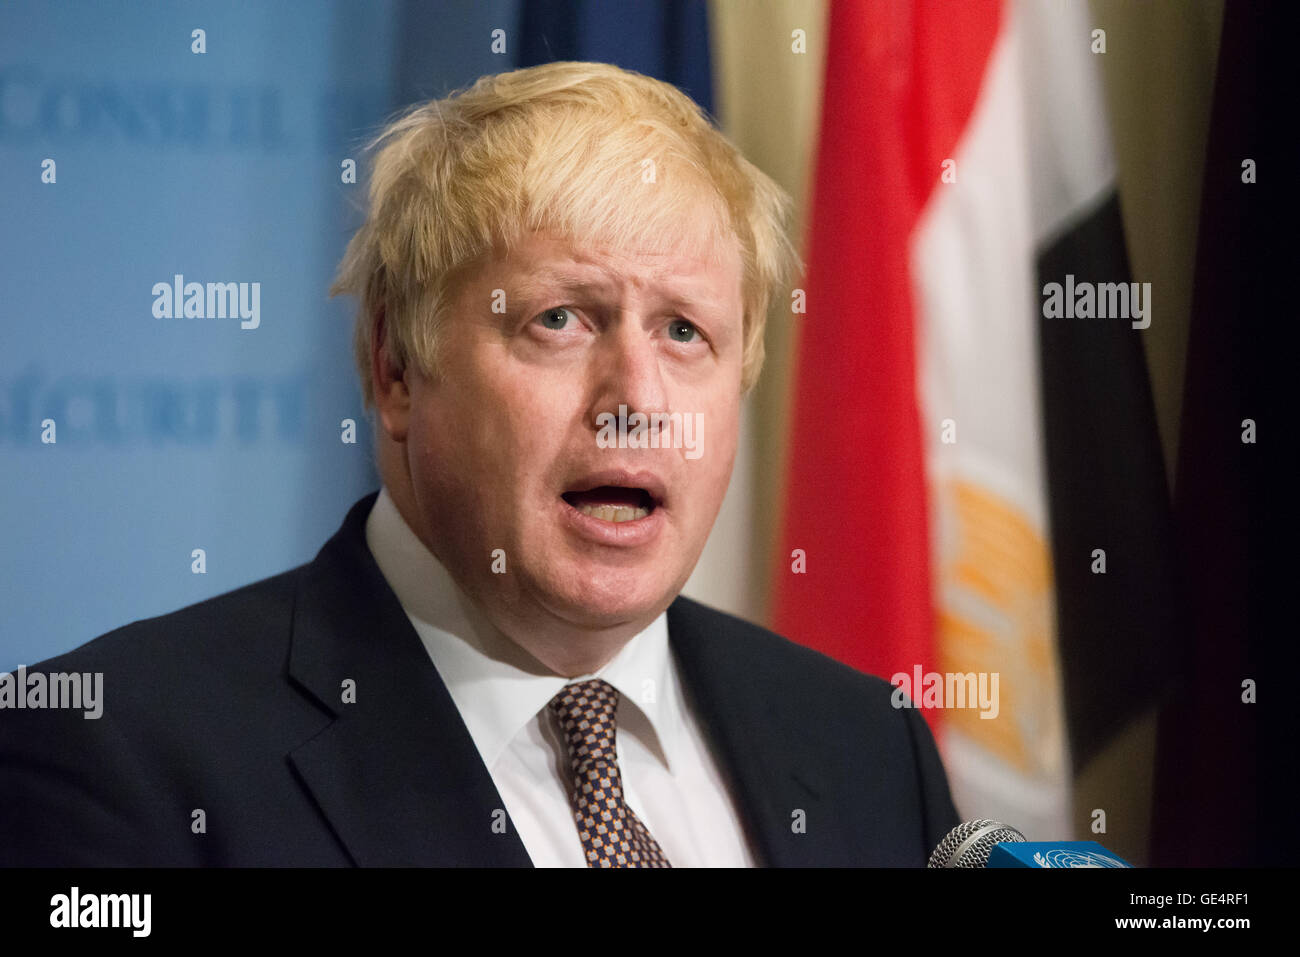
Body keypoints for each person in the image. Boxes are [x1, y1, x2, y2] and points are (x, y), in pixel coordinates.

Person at [0, 61, 959, 867]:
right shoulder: (117, 757)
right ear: (396, 368)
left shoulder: (869, 744)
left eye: (684, 331)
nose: (636, 398)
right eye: (559, 319)